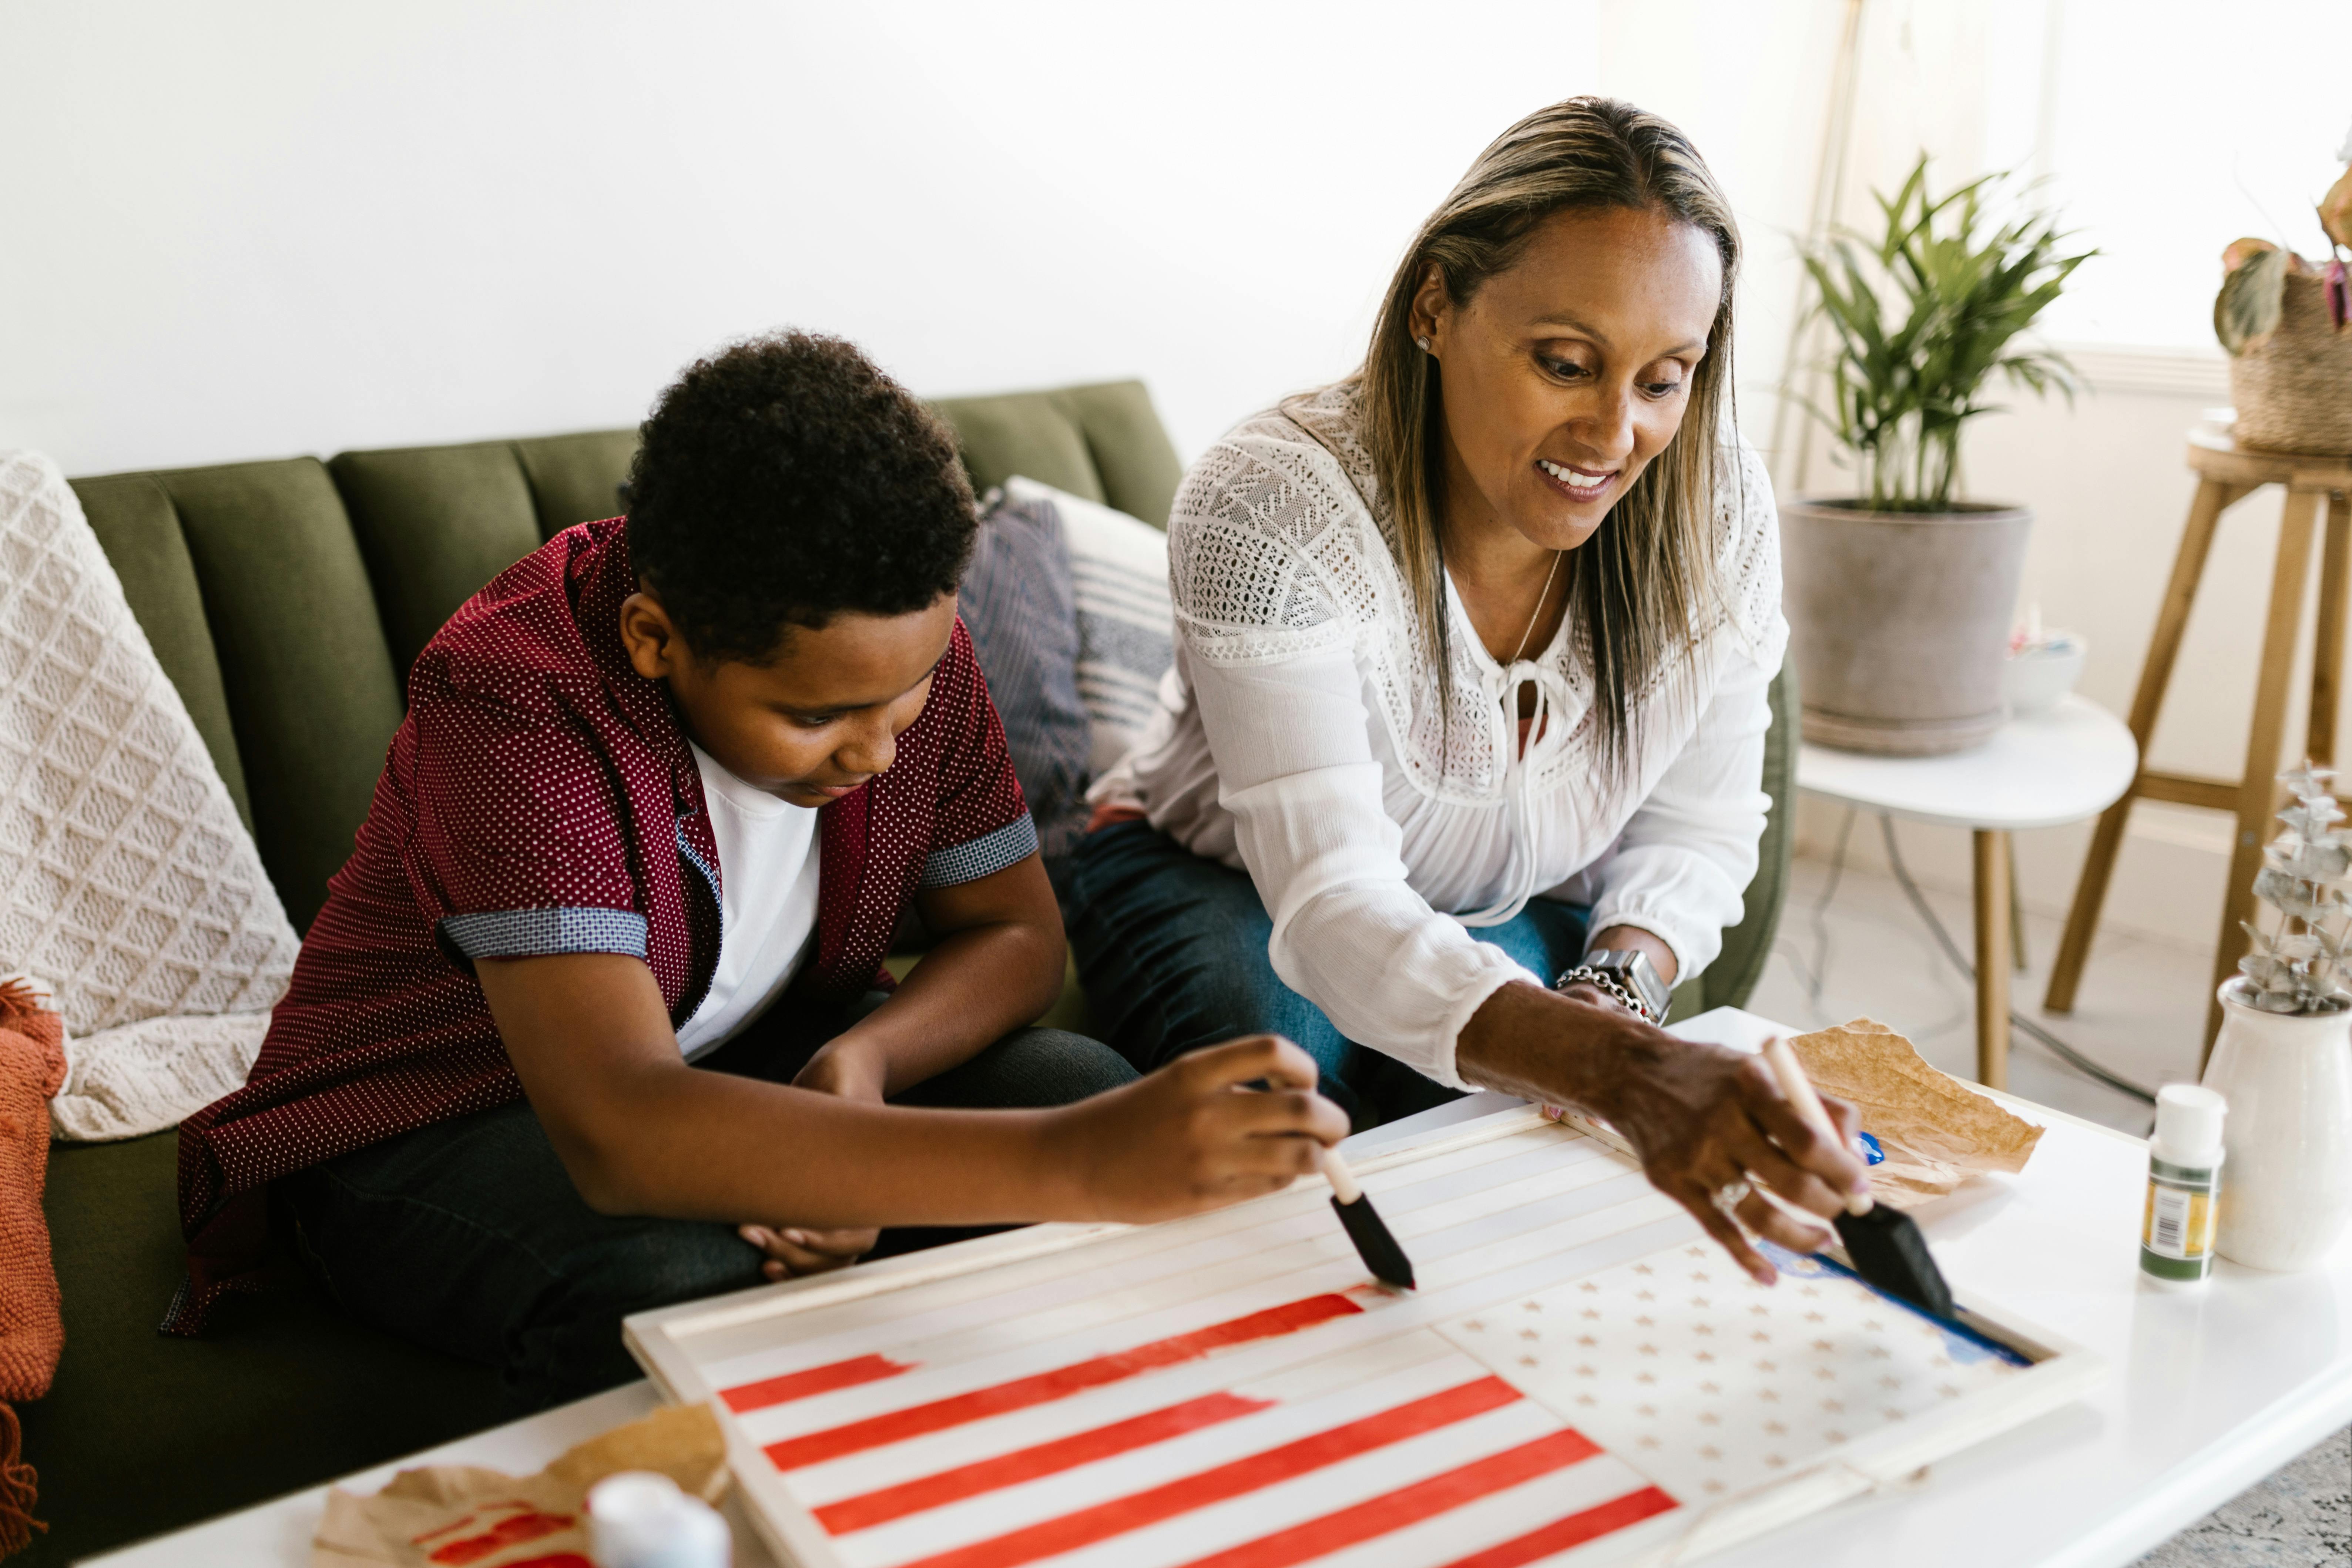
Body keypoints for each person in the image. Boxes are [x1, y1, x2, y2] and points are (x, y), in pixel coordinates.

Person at [168, 332, 1348, 1409]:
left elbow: (1015, 937)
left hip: (751, 1053)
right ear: (653, 639)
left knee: (1075, 1075)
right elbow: (624, 1127)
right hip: (437, 1115)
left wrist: (860, 1065)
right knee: (687, 1267)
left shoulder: (897, 652)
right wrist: (1068, 1165)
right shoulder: (515, 700)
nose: (880, 747)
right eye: (817, 714)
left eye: (910, 692)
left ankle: (1001, 1465)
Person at [1069, 97, 1868, 1281]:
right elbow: (1334, 905)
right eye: (1564, 363)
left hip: (1516, 901)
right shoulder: (1272, 501)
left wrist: (1615, 989)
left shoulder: (1718, 507)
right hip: (1222, 879)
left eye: (1665, 377)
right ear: (1436, 305)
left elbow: (1699, 825)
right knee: (1283, 1054)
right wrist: (1617, 1067)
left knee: (1515, 1114)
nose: (1614, 431)